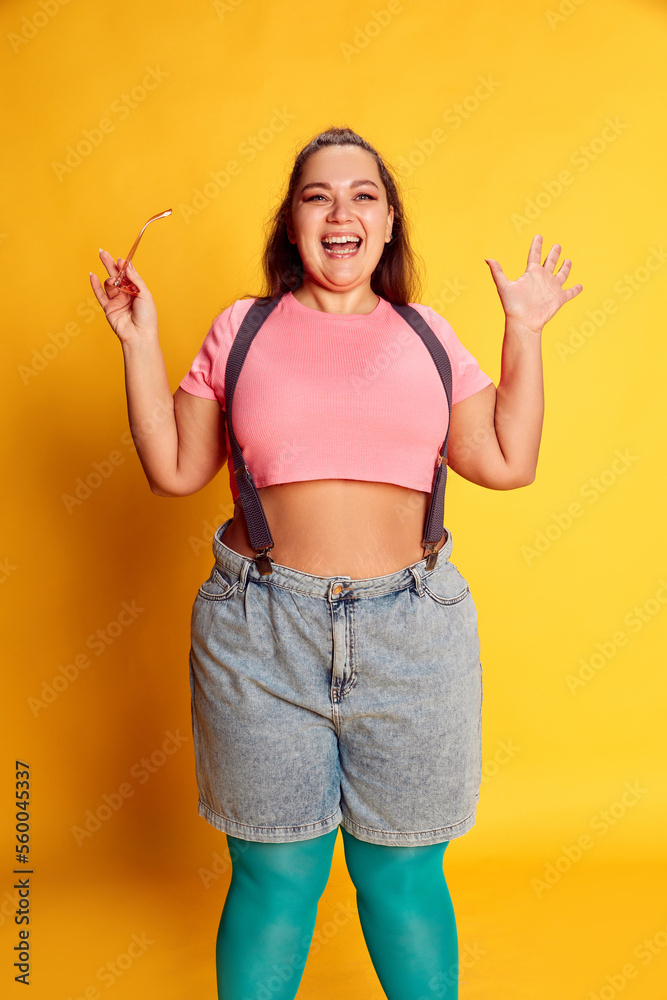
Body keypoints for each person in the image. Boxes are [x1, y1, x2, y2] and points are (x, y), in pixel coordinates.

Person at [90, 126, 582, 1000]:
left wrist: (524, 331)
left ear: (389, 224)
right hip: (259, 632)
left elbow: (507, 460)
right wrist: (138, 339)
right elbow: (172, 470)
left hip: (412, 633)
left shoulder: (427, 334)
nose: (341, 211)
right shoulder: (240, 329)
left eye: (362, 195)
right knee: (276, 875)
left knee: (401, 875)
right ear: (291, 223)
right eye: (318, 195)